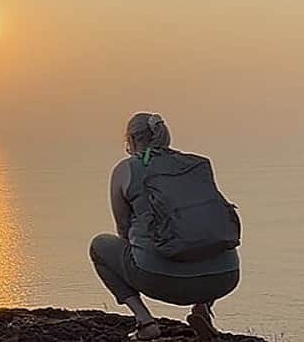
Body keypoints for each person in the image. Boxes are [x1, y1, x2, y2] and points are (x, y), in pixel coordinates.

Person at [90, 113, 240, 341]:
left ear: (131, 139)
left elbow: (123, 228)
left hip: (160, 280)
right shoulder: (197, 164)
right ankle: (203, 309)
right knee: (201, 233)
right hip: (225, 276)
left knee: (99, 246)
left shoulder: (126, 169)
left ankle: (145, 321)